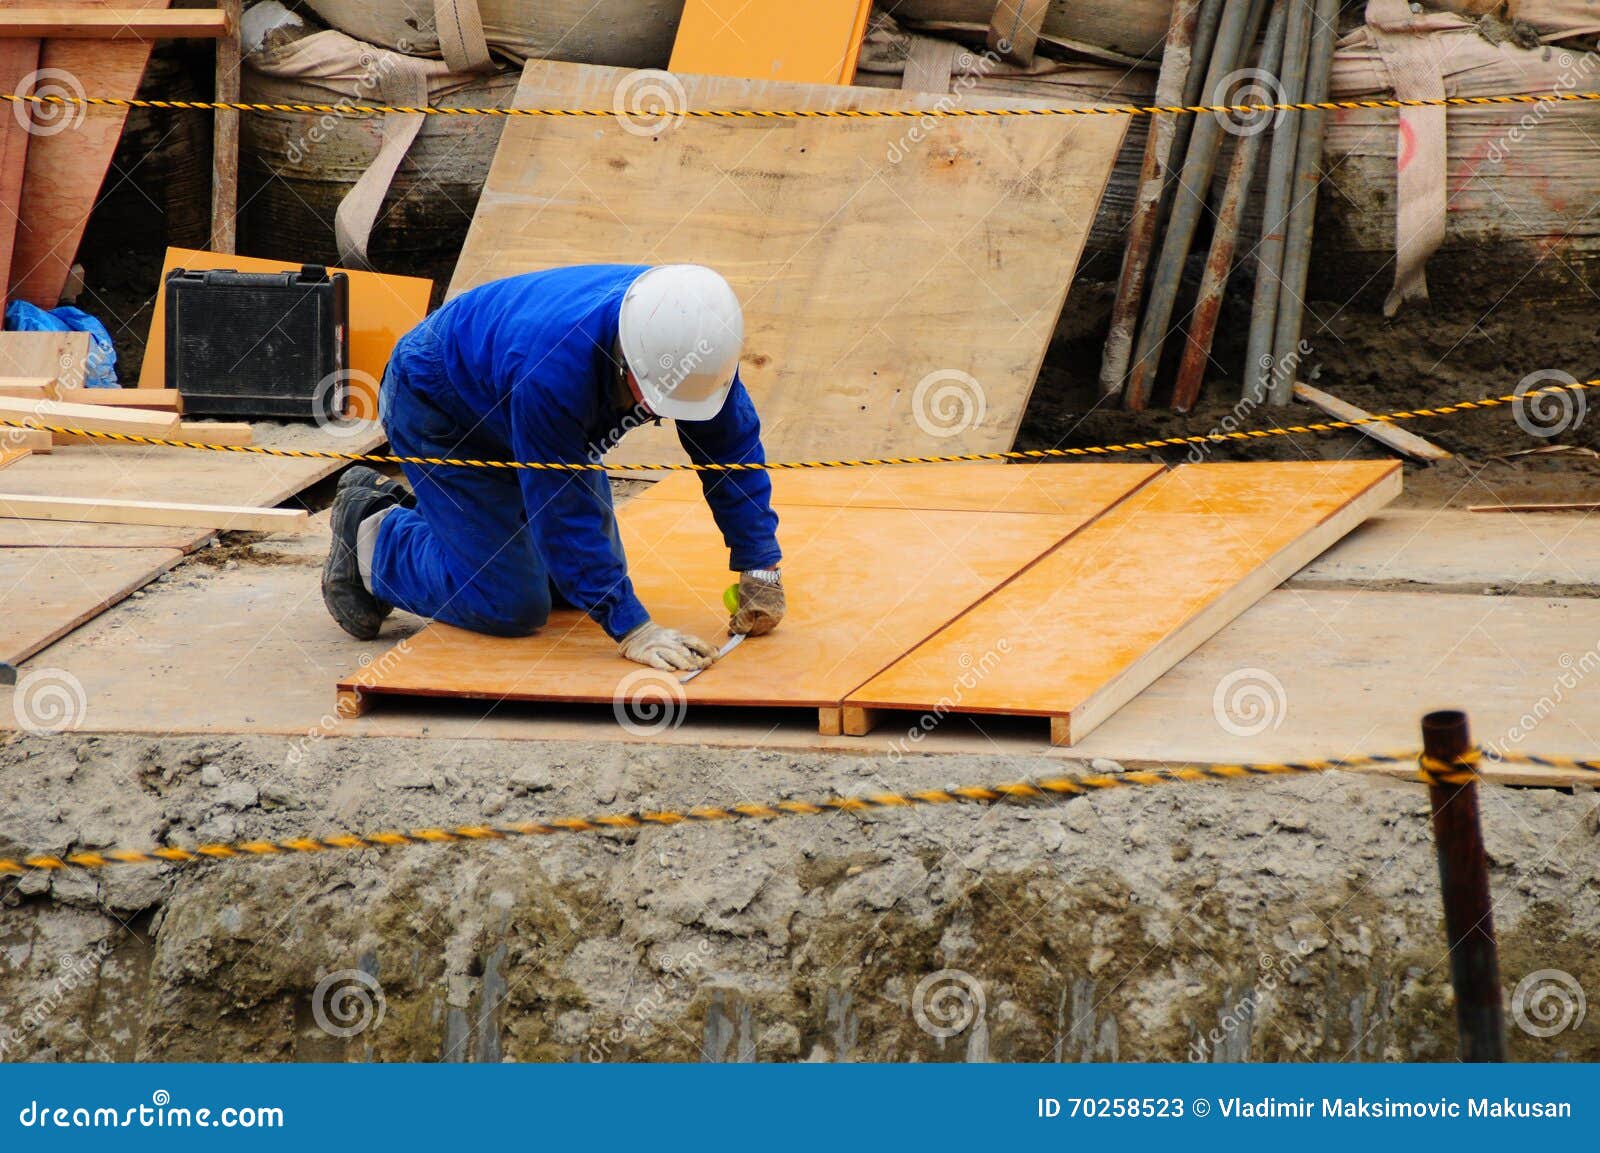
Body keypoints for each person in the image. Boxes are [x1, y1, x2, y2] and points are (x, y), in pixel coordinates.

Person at [321, 264, 784, 672]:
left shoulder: (696, 343)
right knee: (510, 602)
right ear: (626, 359)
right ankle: (372, 534)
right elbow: (561, 508)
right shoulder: (555, 370)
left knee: (570, 589)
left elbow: (731, 451)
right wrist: (632, 629)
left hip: (503, 387)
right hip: (438, 404)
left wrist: (760, 563)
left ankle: (445, 521)